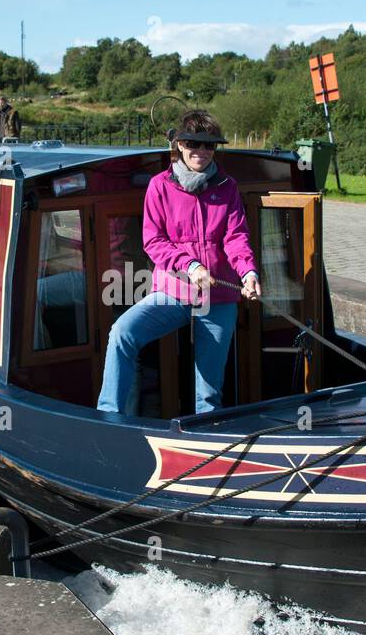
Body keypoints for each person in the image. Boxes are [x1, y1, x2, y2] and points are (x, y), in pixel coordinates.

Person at [97, 109, 259, 415]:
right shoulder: (160, 186)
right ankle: (109, 416)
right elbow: (154, 241)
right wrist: (191, 266)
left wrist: (248, 272)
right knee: (122, 334)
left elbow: (236, 238)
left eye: (209, 146)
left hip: (219, 298)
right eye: (194, 144)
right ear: (180, 146)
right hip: (172, 292)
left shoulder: (228, 187)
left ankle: (206, 446)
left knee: (209, 393)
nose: (202, 151)